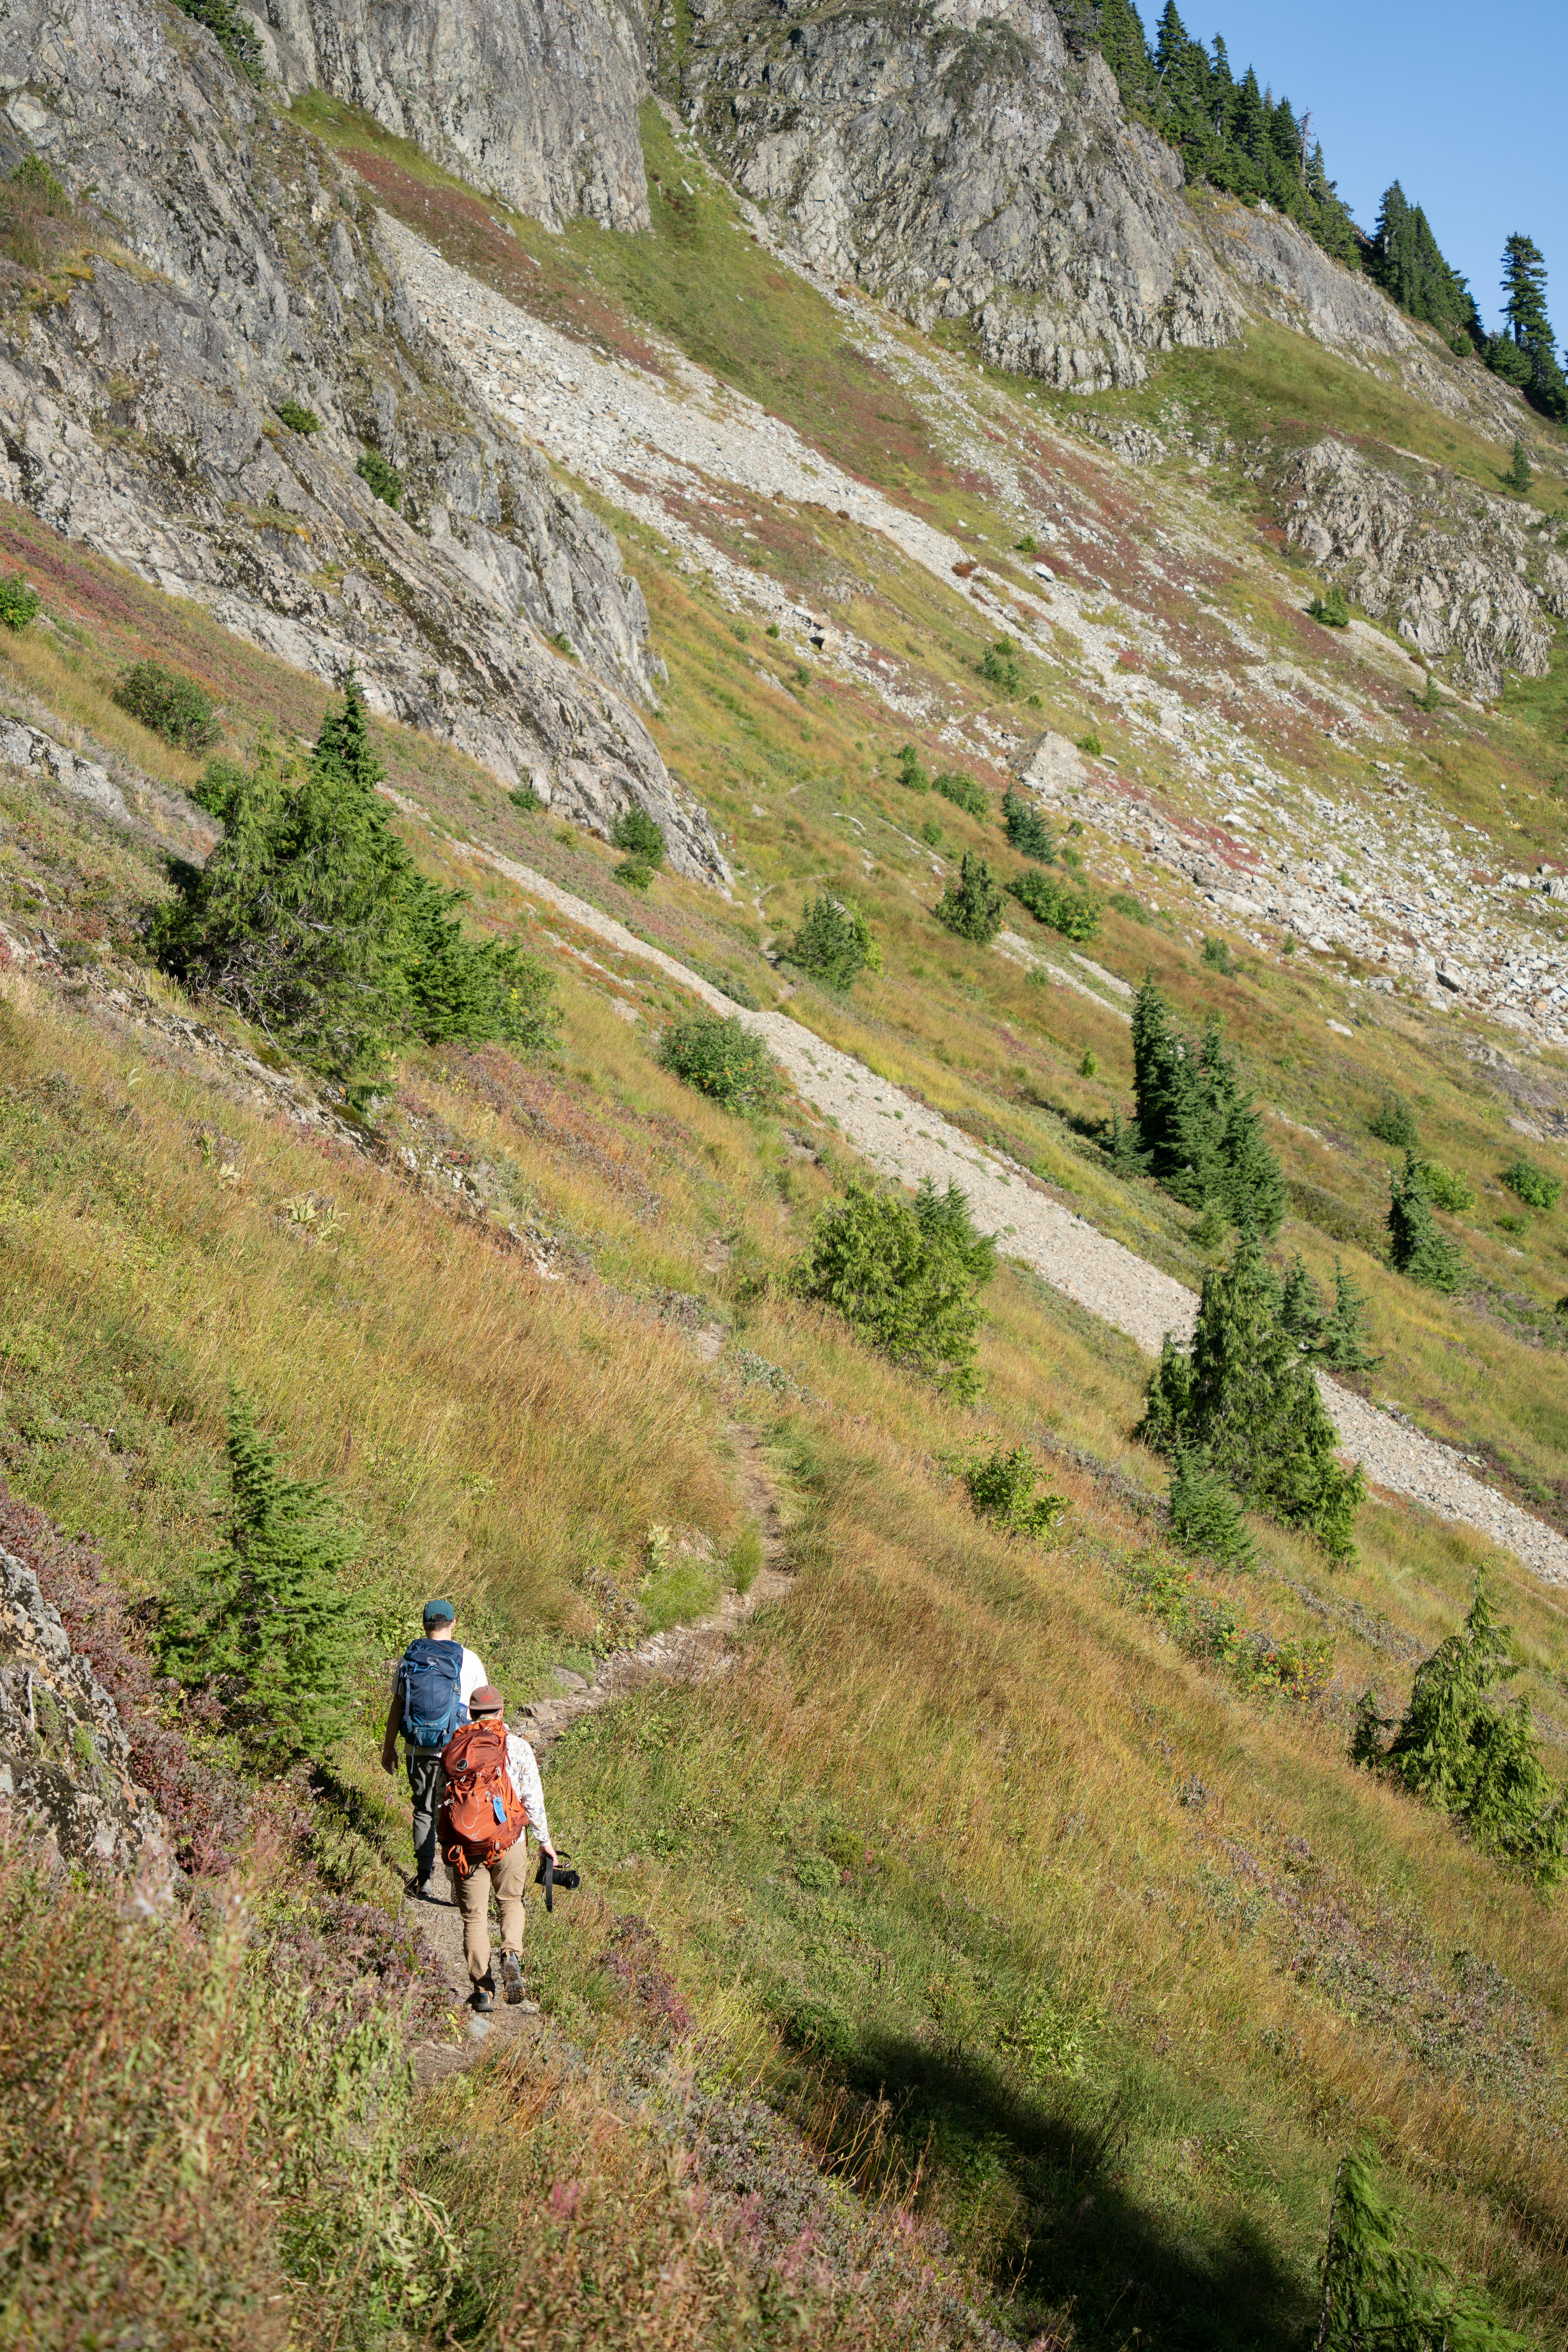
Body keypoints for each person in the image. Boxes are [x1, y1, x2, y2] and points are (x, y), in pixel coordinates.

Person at [438, 1684, 556, 2011]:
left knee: (474, 1917)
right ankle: (511, 1954)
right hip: (509, 1842)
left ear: (471, 1713)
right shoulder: (517, 1747)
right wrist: (545, 1843)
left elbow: (442, 1800)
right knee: (510, 1901)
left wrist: (446, 1841)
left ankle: (483, 1990)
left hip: (466, 1845)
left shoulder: (455, 1749)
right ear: (502, 1712)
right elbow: (533, 1799)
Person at [380, 1598, 489, 1900]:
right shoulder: (469, 1659)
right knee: (460, 1813)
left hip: (419, 1749)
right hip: (460, 1752)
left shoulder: (410, 1659)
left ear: (424, 1624)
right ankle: (461, 1885)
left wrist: (388, 1747)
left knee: (424, 1812)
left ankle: (424, 1878)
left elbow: (397, 1706)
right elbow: (484, 1711)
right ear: (454, 1623)